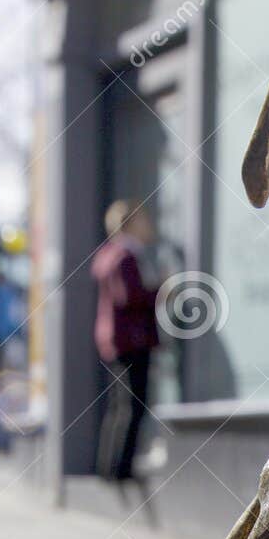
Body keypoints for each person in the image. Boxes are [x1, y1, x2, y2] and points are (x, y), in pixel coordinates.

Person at [92, 201, 160, 509]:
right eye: (144, 220)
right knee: (133, 405)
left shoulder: (108, 255)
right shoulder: (126, 255)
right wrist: (162, 289)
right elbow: (129, 297)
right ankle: (122, 470)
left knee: (119, 406)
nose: (150, 227)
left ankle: (109, 468)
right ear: (130, 223)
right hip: (132, 340)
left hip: (114, 340)